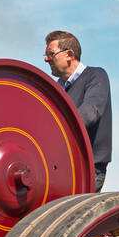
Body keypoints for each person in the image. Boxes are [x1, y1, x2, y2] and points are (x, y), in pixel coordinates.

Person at [43, 30, 112, 191]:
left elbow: (91, 112)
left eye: (51, 53)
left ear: (69, 54)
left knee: (75, 214)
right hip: (61, 167)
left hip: (89, 166)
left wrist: (57, 132)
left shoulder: (96, 76)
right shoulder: (57, 89)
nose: (46, 59)